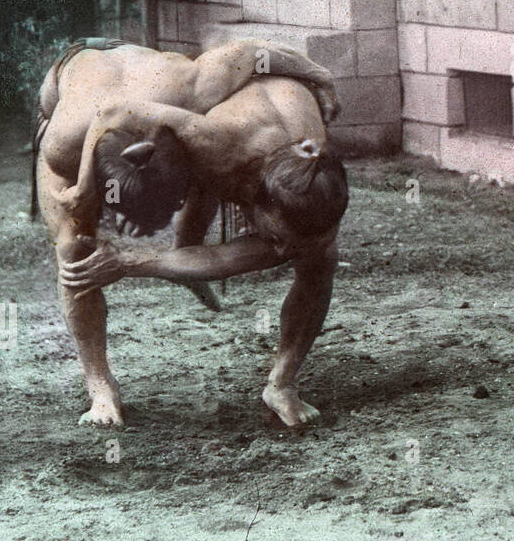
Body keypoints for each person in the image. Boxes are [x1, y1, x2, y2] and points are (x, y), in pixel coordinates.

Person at [34, 39, 342, 427]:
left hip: (165, 107)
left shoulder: (311, 169)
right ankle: (100, 387)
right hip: (76, 82)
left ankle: (282, 383)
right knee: (74, 248)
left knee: (319, 255)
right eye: (276, 237)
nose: (276, 249)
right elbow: (109, 113)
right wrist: (84, 190)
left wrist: (321, 78)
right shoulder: (68, 142)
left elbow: (249, 55)